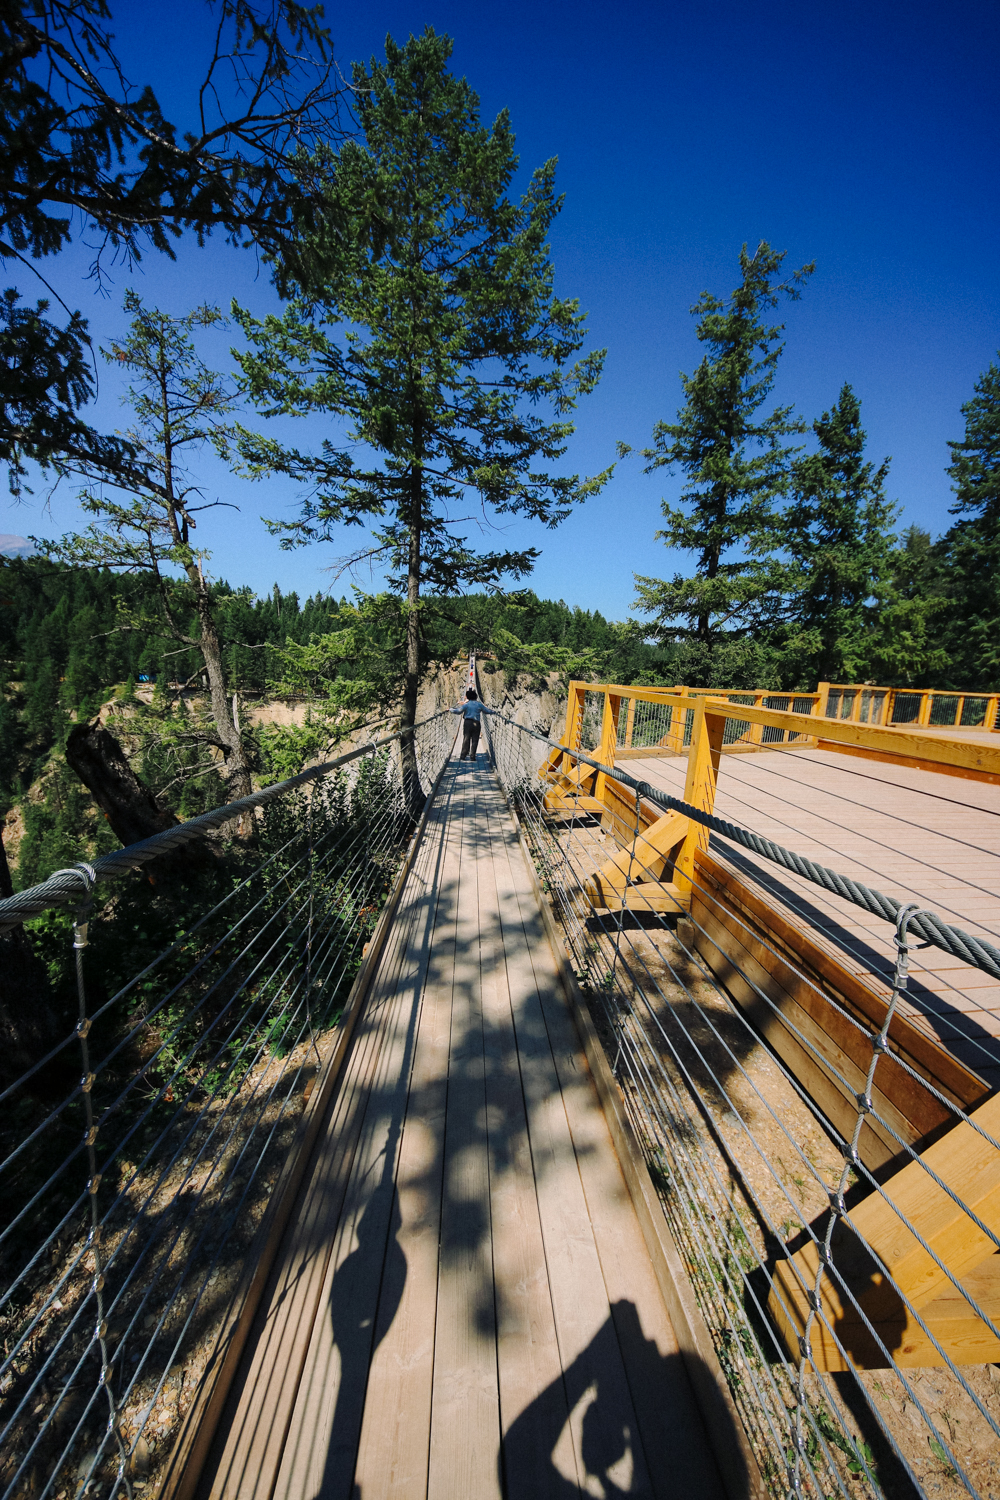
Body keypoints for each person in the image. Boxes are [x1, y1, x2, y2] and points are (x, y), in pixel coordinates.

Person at [450, 688, 491, 762]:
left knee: (466, 739)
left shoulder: (466, 705)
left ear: (468, 697)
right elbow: (486, 711)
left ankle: (463, 755)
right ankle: (472, 756)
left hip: (467, 723)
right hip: (476, 723)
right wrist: (494, 712)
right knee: (475, 740)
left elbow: (458, 711)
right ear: (476, 697)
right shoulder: (479, 704)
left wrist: (450, 709)